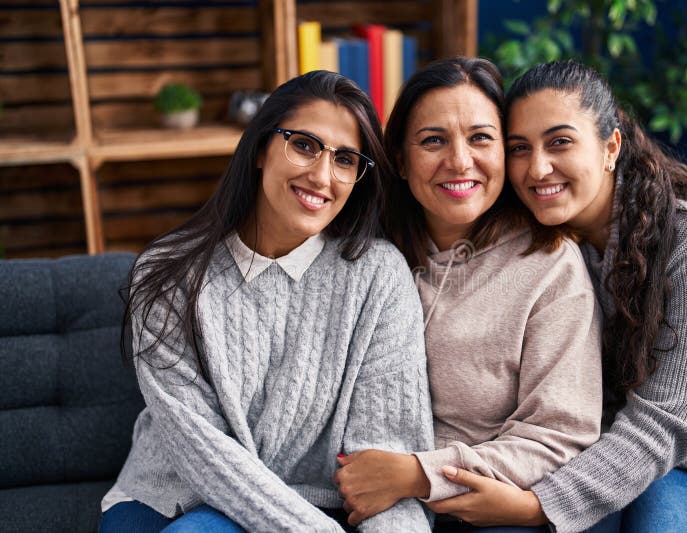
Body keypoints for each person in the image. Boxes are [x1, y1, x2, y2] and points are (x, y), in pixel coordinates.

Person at [430, 59, 687, 533]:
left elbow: (670, 419)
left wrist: (536, 506)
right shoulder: (536, 244)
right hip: (651, 453)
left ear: (611, 148)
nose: (537, 168)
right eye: (520, 148)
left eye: (560, 142)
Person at [98, 70, 435, 533]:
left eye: (345, 159)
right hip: (177, 490)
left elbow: (385, 461)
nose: (322, 175)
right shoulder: (169, 273)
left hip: (317, 503)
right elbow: (204, 453)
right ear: (261, 148)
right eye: (304, 145)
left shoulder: (378, 276)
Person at [333, 57, 611, 533]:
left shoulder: (549, 264)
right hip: (354, 491)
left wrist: (419, 474)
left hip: (487, 506)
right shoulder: (363, 251)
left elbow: (559, 436)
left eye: (481, 138)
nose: (460, 161)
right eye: (433, 140)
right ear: (400, 159)